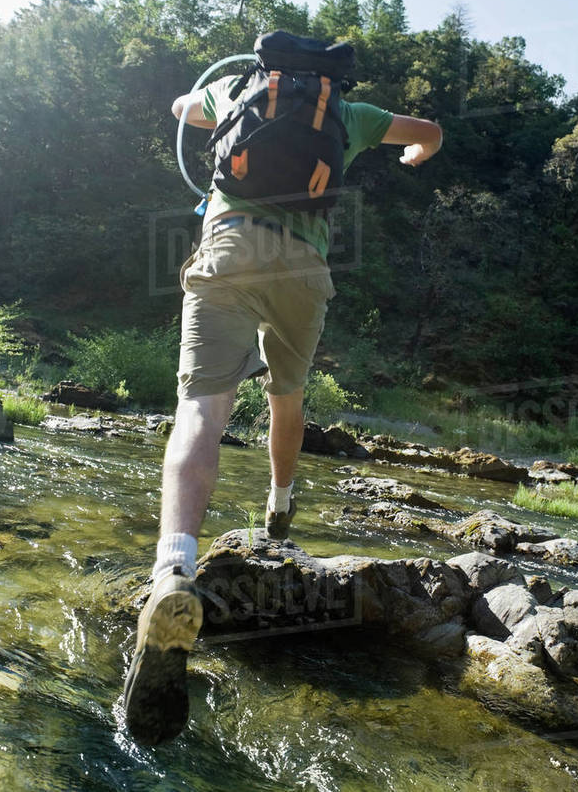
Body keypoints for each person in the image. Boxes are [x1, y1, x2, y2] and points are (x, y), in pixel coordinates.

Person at [123, 51, 443, 746]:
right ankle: (279, 506)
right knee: (286, 396)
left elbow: (181, 108)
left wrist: (208, 104)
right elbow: (430, 131)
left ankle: (174, 568)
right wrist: (415, 154)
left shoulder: (236, 88)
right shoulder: (347, 113)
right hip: (304, 269)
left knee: (201, 411)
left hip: (230, 246)